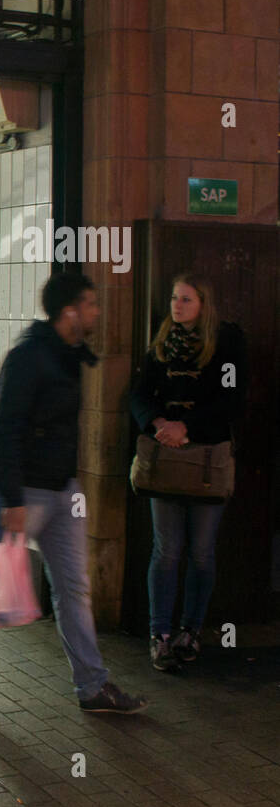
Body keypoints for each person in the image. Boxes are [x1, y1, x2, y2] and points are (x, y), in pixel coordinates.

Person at [0, 272, 148, 714]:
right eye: (90, 304)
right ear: (69, 310)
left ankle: (92, 687)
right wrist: (12, 499)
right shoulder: (29, 357)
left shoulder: (68, 355)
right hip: (22, 492)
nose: (97, 312)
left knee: (73, 587)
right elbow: (5, 430)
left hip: (62, 492)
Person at [129, 274, 243, 673]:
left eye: (186, 300)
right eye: (175, 298)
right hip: (167, 459)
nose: (177, 306)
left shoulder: (226, 345)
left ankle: (190, 631)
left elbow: (231, 399)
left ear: (203, 304)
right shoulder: (160, 346)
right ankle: (160, 634)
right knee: (166, 550)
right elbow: (138, 393)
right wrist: (158, 421)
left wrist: (185, 426)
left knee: (201, 552)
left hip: (206, 458)